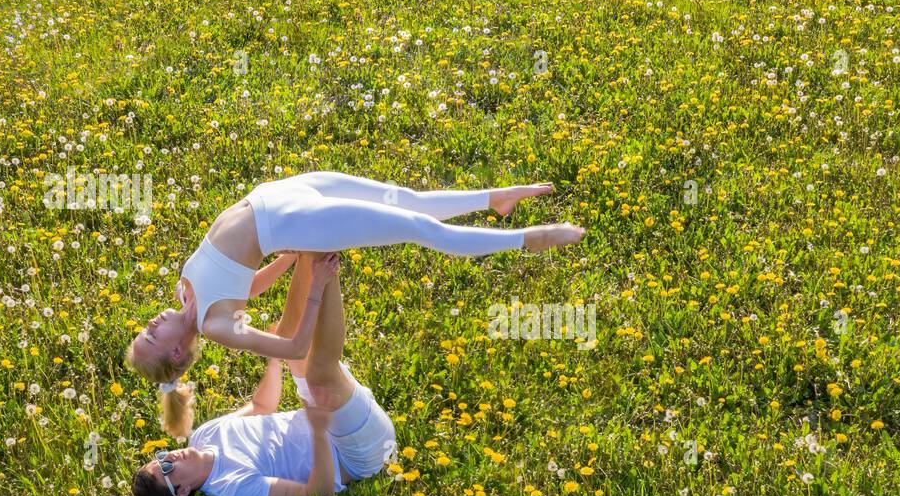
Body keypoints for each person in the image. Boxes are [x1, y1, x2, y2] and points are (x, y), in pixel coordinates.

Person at [127, 171, 583, 436]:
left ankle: (494, 199)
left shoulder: (185, 293)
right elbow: (290, 348)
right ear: (177, 353)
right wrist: (314, 286)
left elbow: (249, 284)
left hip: (276, 196)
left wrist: (288, 257)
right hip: (295, 219)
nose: (151, 323)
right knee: (421, 229)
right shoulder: (215, 326)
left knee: (406, 200)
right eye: (151, 335)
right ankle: (530, 239)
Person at [131, 252, 394, 496]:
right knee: (318, 376)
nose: (170, 458)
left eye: (162, 457)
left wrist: (274, 359)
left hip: (328, 413)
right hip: (354, 451)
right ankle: (331, 252)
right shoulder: (232, 489)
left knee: (287, 341)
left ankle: (311, 246)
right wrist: (317, 431)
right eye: (166, 470)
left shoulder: (203, 436)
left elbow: (261, 406)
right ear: (183, 491)